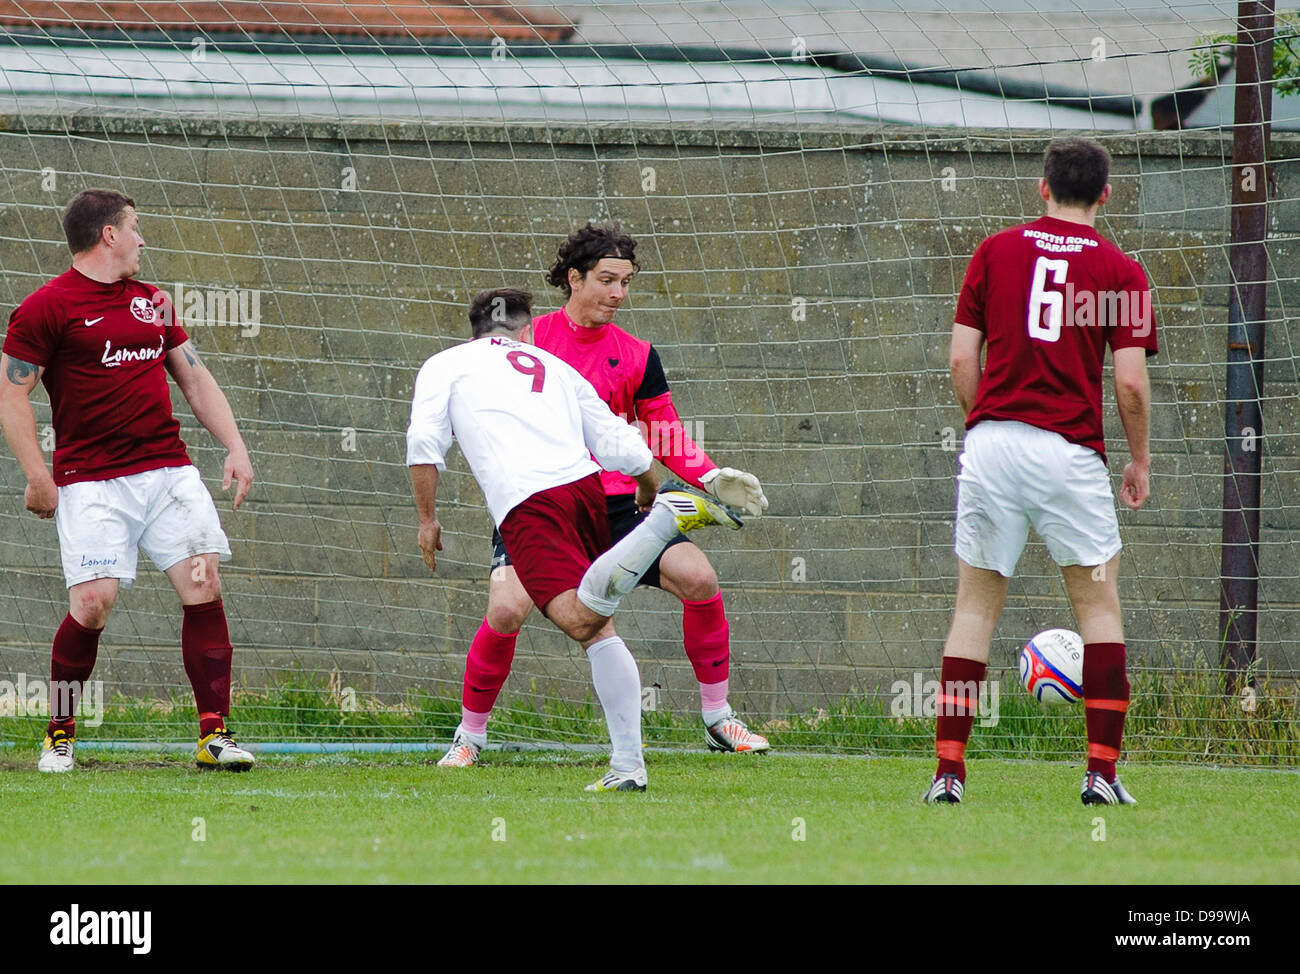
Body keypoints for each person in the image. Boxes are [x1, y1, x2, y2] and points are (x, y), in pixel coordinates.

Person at [437, 223, 770, 769]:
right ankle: (470, 736)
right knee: (505, 609)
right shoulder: (528, 341)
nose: (618, 293)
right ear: (574, 278)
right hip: (543, 501)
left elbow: (662, 429)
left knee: (701, 579)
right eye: (607, 280)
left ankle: (718, 717)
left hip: (620, 505)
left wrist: (709, 478)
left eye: (626, 282)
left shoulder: (637, 354)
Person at [924, 137, 1156, 806]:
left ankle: (948, 773)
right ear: (1106, 195)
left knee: (973, 608)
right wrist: (1138, 459)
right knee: (1098, 608)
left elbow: (962, 359)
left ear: (1042, 187)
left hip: (993, 443)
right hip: (1070, 452)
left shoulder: (996, 251)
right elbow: (1132, 385)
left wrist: (987, 424)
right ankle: (1101, 774)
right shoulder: (1122, 271)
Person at [0, 189, 256, 772]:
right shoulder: (46, 307)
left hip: (167, 472)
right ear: (108, 235)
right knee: (92, 604)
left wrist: (235, 446)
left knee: (204, 583)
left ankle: (214, 736)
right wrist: (37, 475)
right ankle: (60, 734)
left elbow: (194, 378)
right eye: (135, 228)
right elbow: (11, 395)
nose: (143, 239)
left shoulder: (153, 303)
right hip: (90, 481)